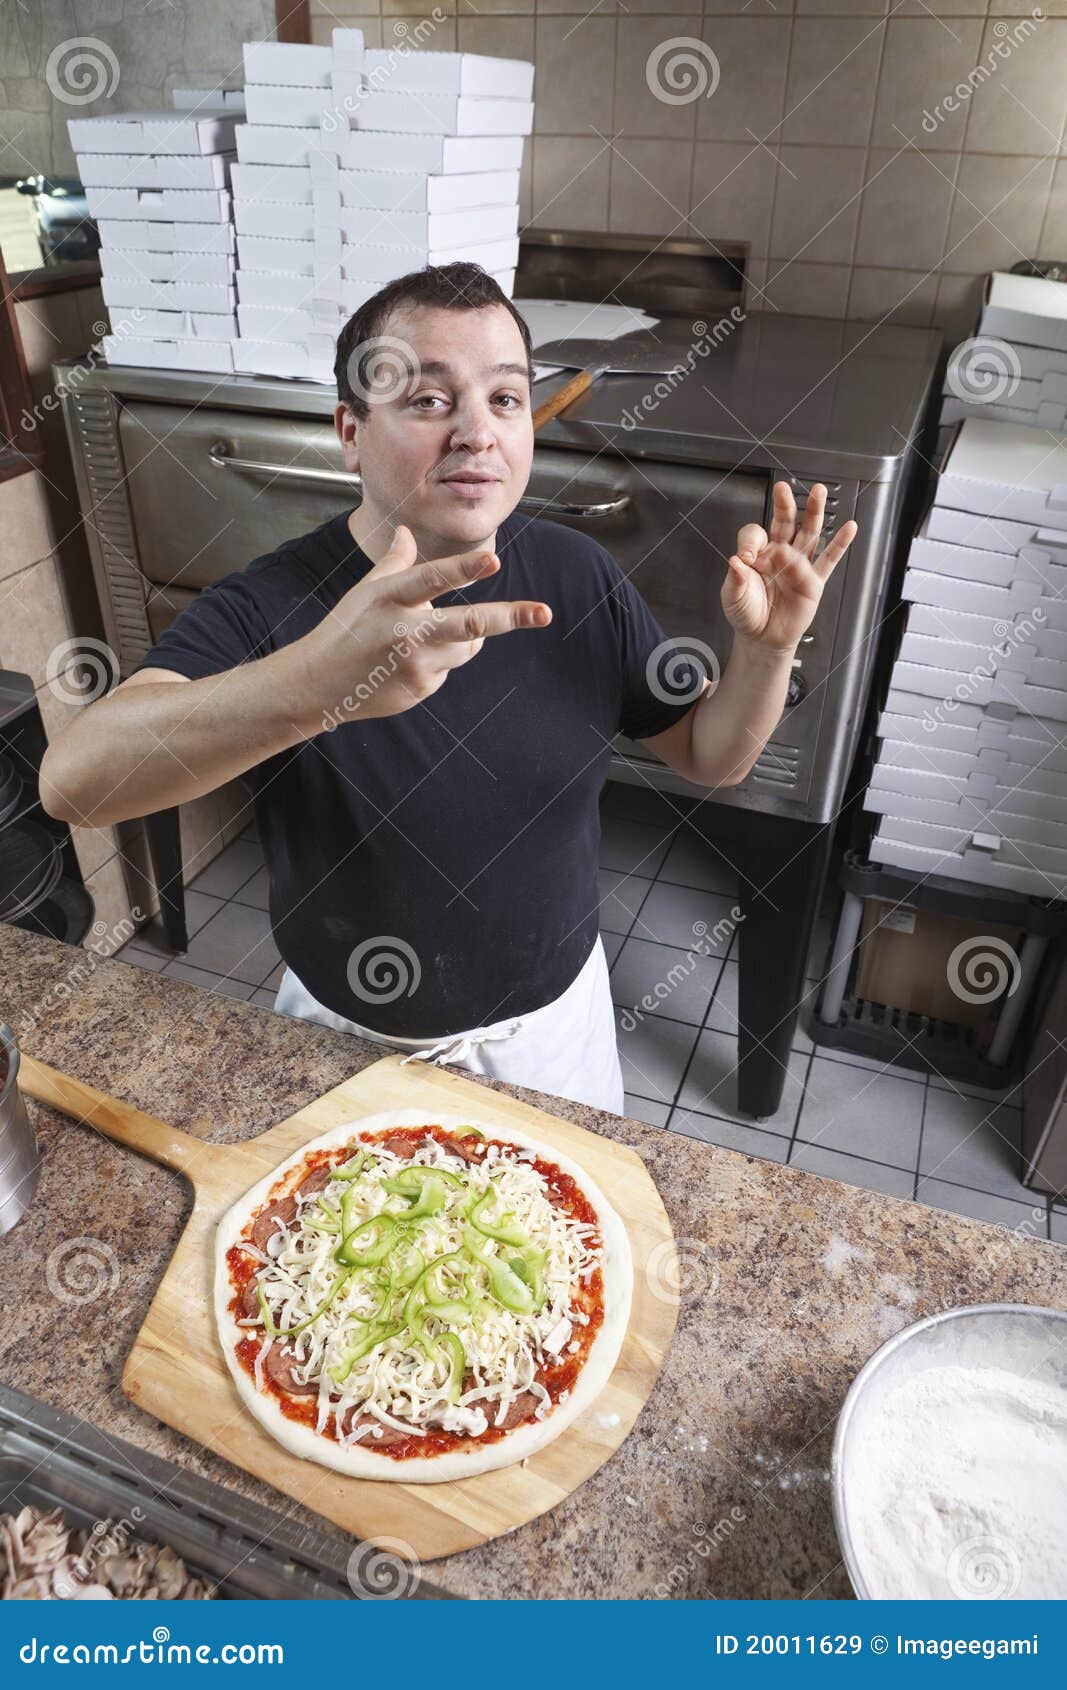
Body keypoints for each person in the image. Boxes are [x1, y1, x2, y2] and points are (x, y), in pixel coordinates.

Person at [40, 262, 857, 1114]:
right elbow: (74, 785)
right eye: (428, 401)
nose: (477, 433)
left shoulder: (577, 575)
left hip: (553, 1035)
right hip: (346, 1040)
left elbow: (708, 756)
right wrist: (317, 685)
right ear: (350, 431)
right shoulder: (272, 602)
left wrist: (765, 652)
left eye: (505, 399)